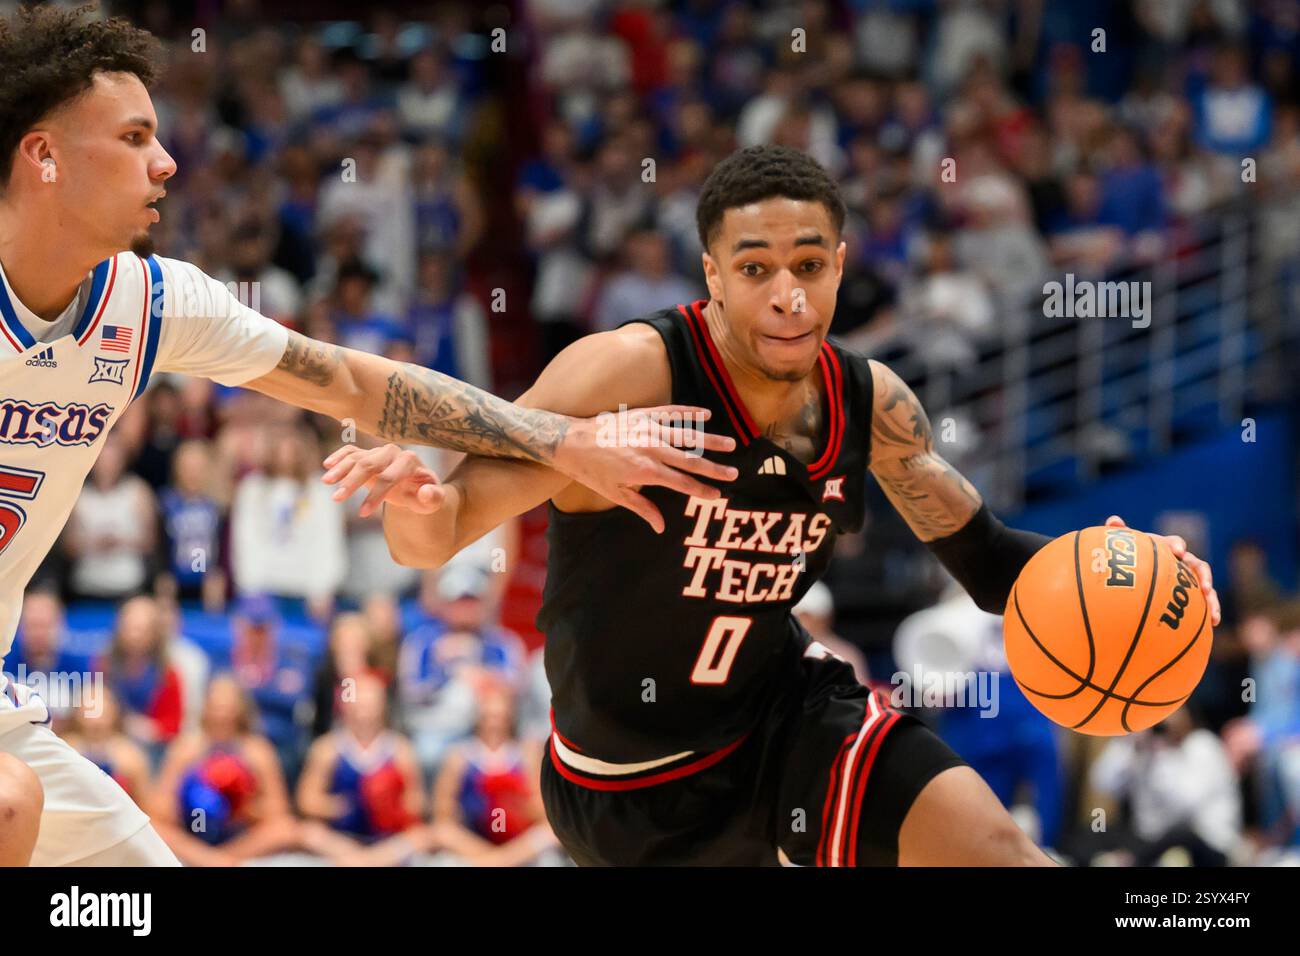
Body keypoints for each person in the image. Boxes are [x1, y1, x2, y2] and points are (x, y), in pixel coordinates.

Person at [332, 144, 1223, 866]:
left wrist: (1119, 568)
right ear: (713, 275)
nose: (788, 295)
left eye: (808, 265)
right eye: (755, 268)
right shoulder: (628, 372)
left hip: (786, 712)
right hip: (627, 785)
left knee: (997, 851)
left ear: (839, 267)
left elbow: (991, 566)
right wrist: (413, 500)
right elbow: (436, 532)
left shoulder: (871, 402)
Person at [0, 6, 730, 866]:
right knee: (11, 803)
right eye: (131, 138)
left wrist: (555, 441)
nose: (166, 161)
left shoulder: (150, 303)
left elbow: (349, 381)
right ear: (43, 156)